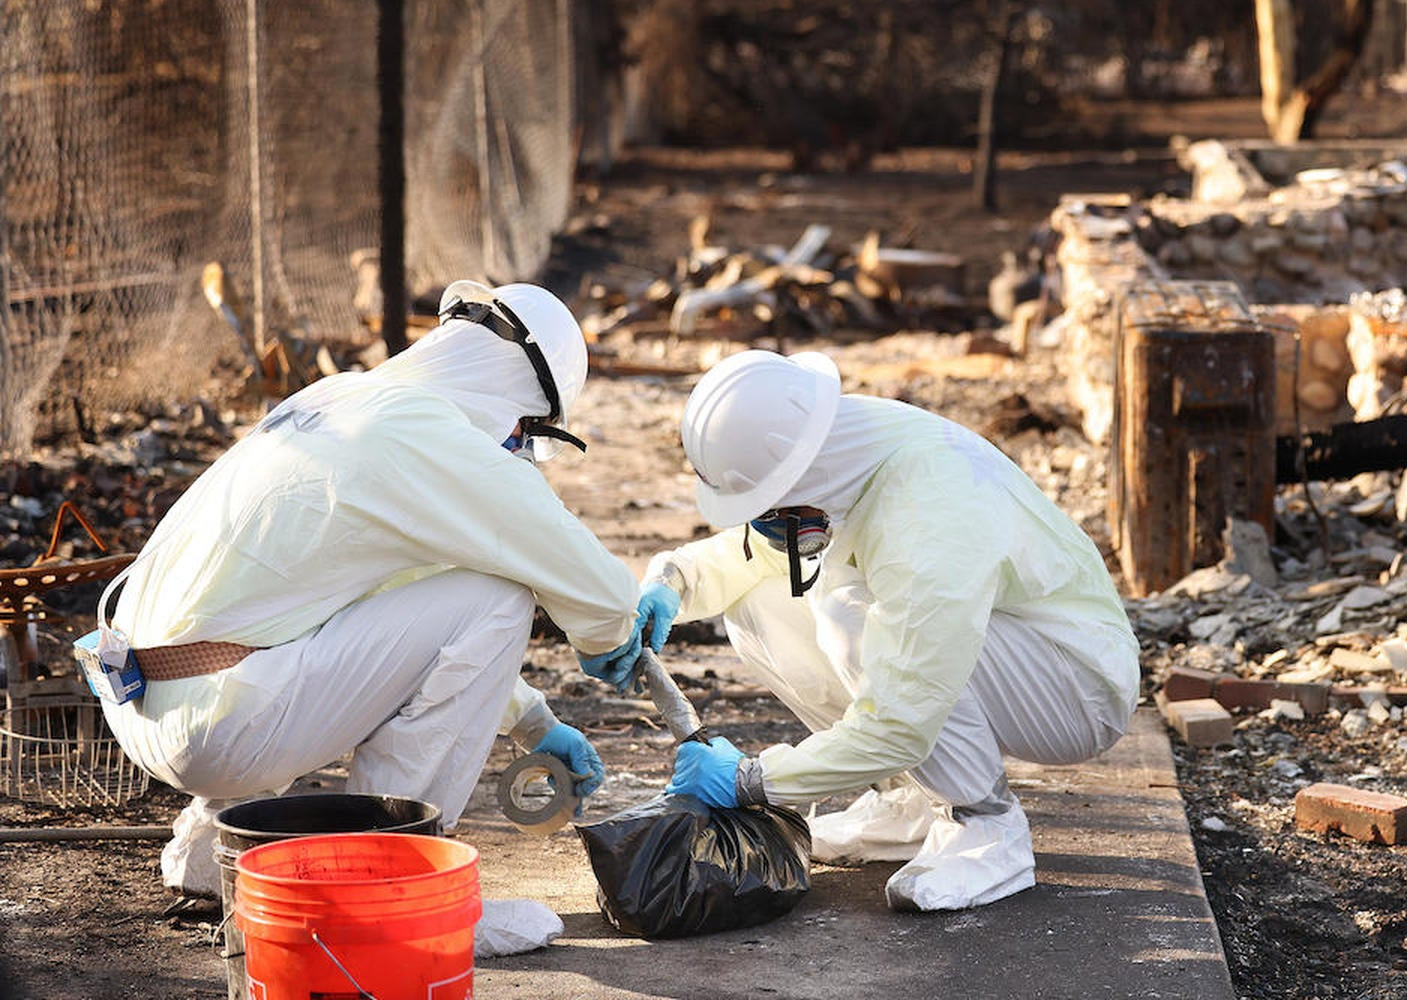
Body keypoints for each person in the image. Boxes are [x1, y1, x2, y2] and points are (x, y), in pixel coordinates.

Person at [91, 281, 665, 904]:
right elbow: (587, 581)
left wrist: (532, 721)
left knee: (286, 610)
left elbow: (395, 623)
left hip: (144, 703)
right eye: (526, 431)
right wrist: (609, 634)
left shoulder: (340, 399)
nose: (519, 446)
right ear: (519, 400)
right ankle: (397, 884)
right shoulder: (428, 436)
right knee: (499, 596)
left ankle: (212, 856)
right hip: (221, 728)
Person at [641, 349, 1141, 911]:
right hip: (1005, 646)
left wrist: (753, 780)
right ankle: (908, 800)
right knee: (757, 600)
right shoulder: (842, 449)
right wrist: (672, 581)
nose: (767, 519)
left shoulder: (928, 514)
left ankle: (984, 825)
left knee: (849, 614)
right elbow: (754, 557)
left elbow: (903, 717)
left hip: (1075, 685)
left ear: (796, 472)